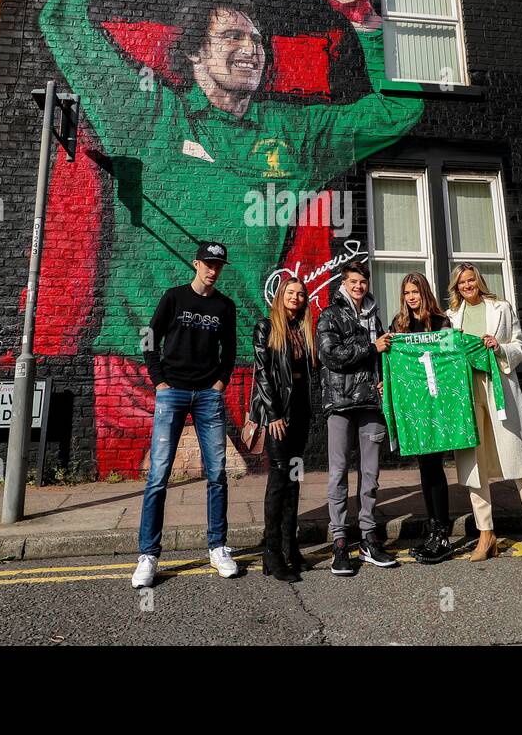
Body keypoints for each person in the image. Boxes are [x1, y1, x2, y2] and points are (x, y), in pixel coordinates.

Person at [38, 0, 424, 473]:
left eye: (257, 39)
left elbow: (400, 109)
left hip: (246, 361)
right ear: (195, 54)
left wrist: (365, 21)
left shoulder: (296, 133)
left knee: (242, 499)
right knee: (152, 496)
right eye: (232, 36)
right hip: (138, 359)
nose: (251, 48)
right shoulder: (147, 112)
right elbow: (62, 21)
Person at [132, 242, 239, 589]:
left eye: (218, 265)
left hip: (208, 395)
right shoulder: (174, 297)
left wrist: (221, 382)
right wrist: (159, 381)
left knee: (217, 475)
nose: (212, 269)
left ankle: (217, 547)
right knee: (158, 476)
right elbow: (150, 338)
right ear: (196, 264)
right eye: (208, 263)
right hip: (172, 393)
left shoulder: (225, 306)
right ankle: (148, 555)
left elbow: (231, 349)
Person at [447, 263, 522, 568]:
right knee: (474, 465)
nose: (467, 286)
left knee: (521, 462)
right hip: (468, 392)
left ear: (479, 281)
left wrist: (499, 348)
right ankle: (486, 536)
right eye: (461, 283)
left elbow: (520, 345)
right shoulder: (451, 317)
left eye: (471, 280)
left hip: (499, 387)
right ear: (456, 288)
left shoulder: (501, 307)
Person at [317, 261, 397, 575]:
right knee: (338, 472)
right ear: (344, 283)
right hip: (340, 402)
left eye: (362, 282)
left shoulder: (375, 317)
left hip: (371, 402)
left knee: (371, 472)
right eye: (353, 281)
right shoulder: (329, 315)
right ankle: (339, 541)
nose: (358, 287)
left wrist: (383, 378)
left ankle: (368, 537)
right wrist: (370, 347)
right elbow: (330, 355)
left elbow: (382, 356)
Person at [247, 275, 319, 582]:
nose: (296, 297)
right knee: (278, 481)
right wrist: (274, 414)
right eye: (291, 293)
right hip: (278, 416)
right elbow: (262, 374)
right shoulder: (266, 327)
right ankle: (272, 554)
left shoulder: (303, 330)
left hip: (300, 415)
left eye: (301, 294)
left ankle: (291, 549)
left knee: (294, 479)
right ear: (280, 297)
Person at [389, 273, 456, 564]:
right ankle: (433, 531)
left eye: (415, 291)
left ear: (424, 292)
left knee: (434, 466)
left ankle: (442, 534)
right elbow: (391, 359)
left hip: (435, 402)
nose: (411, 297)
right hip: (412, 406)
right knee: (425, 469)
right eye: (406, 293)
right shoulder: (399, 323)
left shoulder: (441, 322)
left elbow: (450, 360)